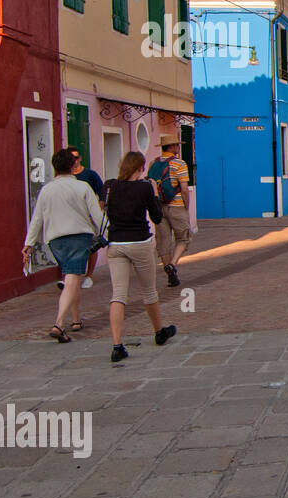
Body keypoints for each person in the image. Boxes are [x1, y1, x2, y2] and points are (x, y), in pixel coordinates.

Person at [22, 149, 104, 342]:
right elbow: (98, 217)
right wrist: (109, 235)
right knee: (72, 278)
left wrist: (29, 243)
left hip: (55, 241)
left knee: (71, 277)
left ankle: (76, 320)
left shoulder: (46, 190)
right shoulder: (83, 187)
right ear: (73, 166)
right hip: (79, 237)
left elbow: (37, 219)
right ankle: (59, 323)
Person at [102, 151, 177, 362]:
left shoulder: (109, 186)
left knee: (118, 294)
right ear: (139, 168)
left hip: (116, 244)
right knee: (149, 291)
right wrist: (153, 193)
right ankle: (159, 331)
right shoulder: (144, 187)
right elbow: (156, 216)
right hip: (139, 242)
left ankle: (117, 344)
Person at [148, 134, 192, 287]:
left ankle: (169, 273)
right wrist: (186, 206)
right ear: (172, 147)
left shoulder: (153, 163)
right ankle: (172, 264)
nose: (178, 148)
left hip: (158, 206)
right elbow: (184, 189)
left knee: (163, 241)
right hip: (176, 205)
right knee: (183, 238)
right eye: (177, 145)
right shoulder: (180, 164)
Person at [63, 147, 103, 292]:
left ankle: (88, 275)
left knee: (91, 246)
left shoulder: (89, 175)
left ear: (80, 158)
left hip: (89, 218)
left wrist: (96, 213)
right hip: (71, 217)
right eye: (70, 158)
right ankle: (72, 275)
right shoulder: (64, 177)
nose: (74, 161)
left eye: (76, 157)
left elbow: (102, 193)